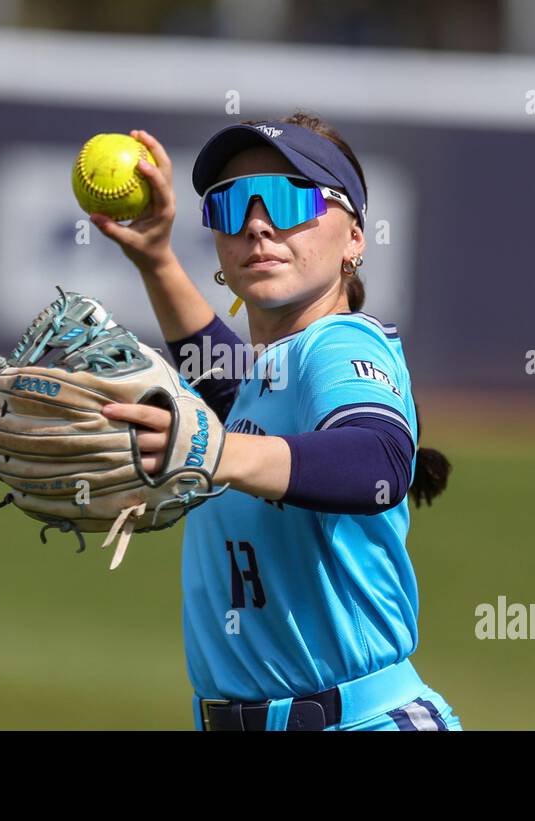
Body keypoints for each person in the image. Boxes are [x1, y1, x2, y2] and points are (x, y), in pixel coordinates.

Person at [90, 111, 460, 731]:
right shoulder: (272, 374)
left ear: (354, 238)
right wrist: (156, 260)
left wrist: (214, 453)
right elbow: (229, 385)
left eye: (289, 200)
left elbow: (380, 460)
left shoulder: (341, 344)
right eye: (232, 206)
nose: (258, 224)